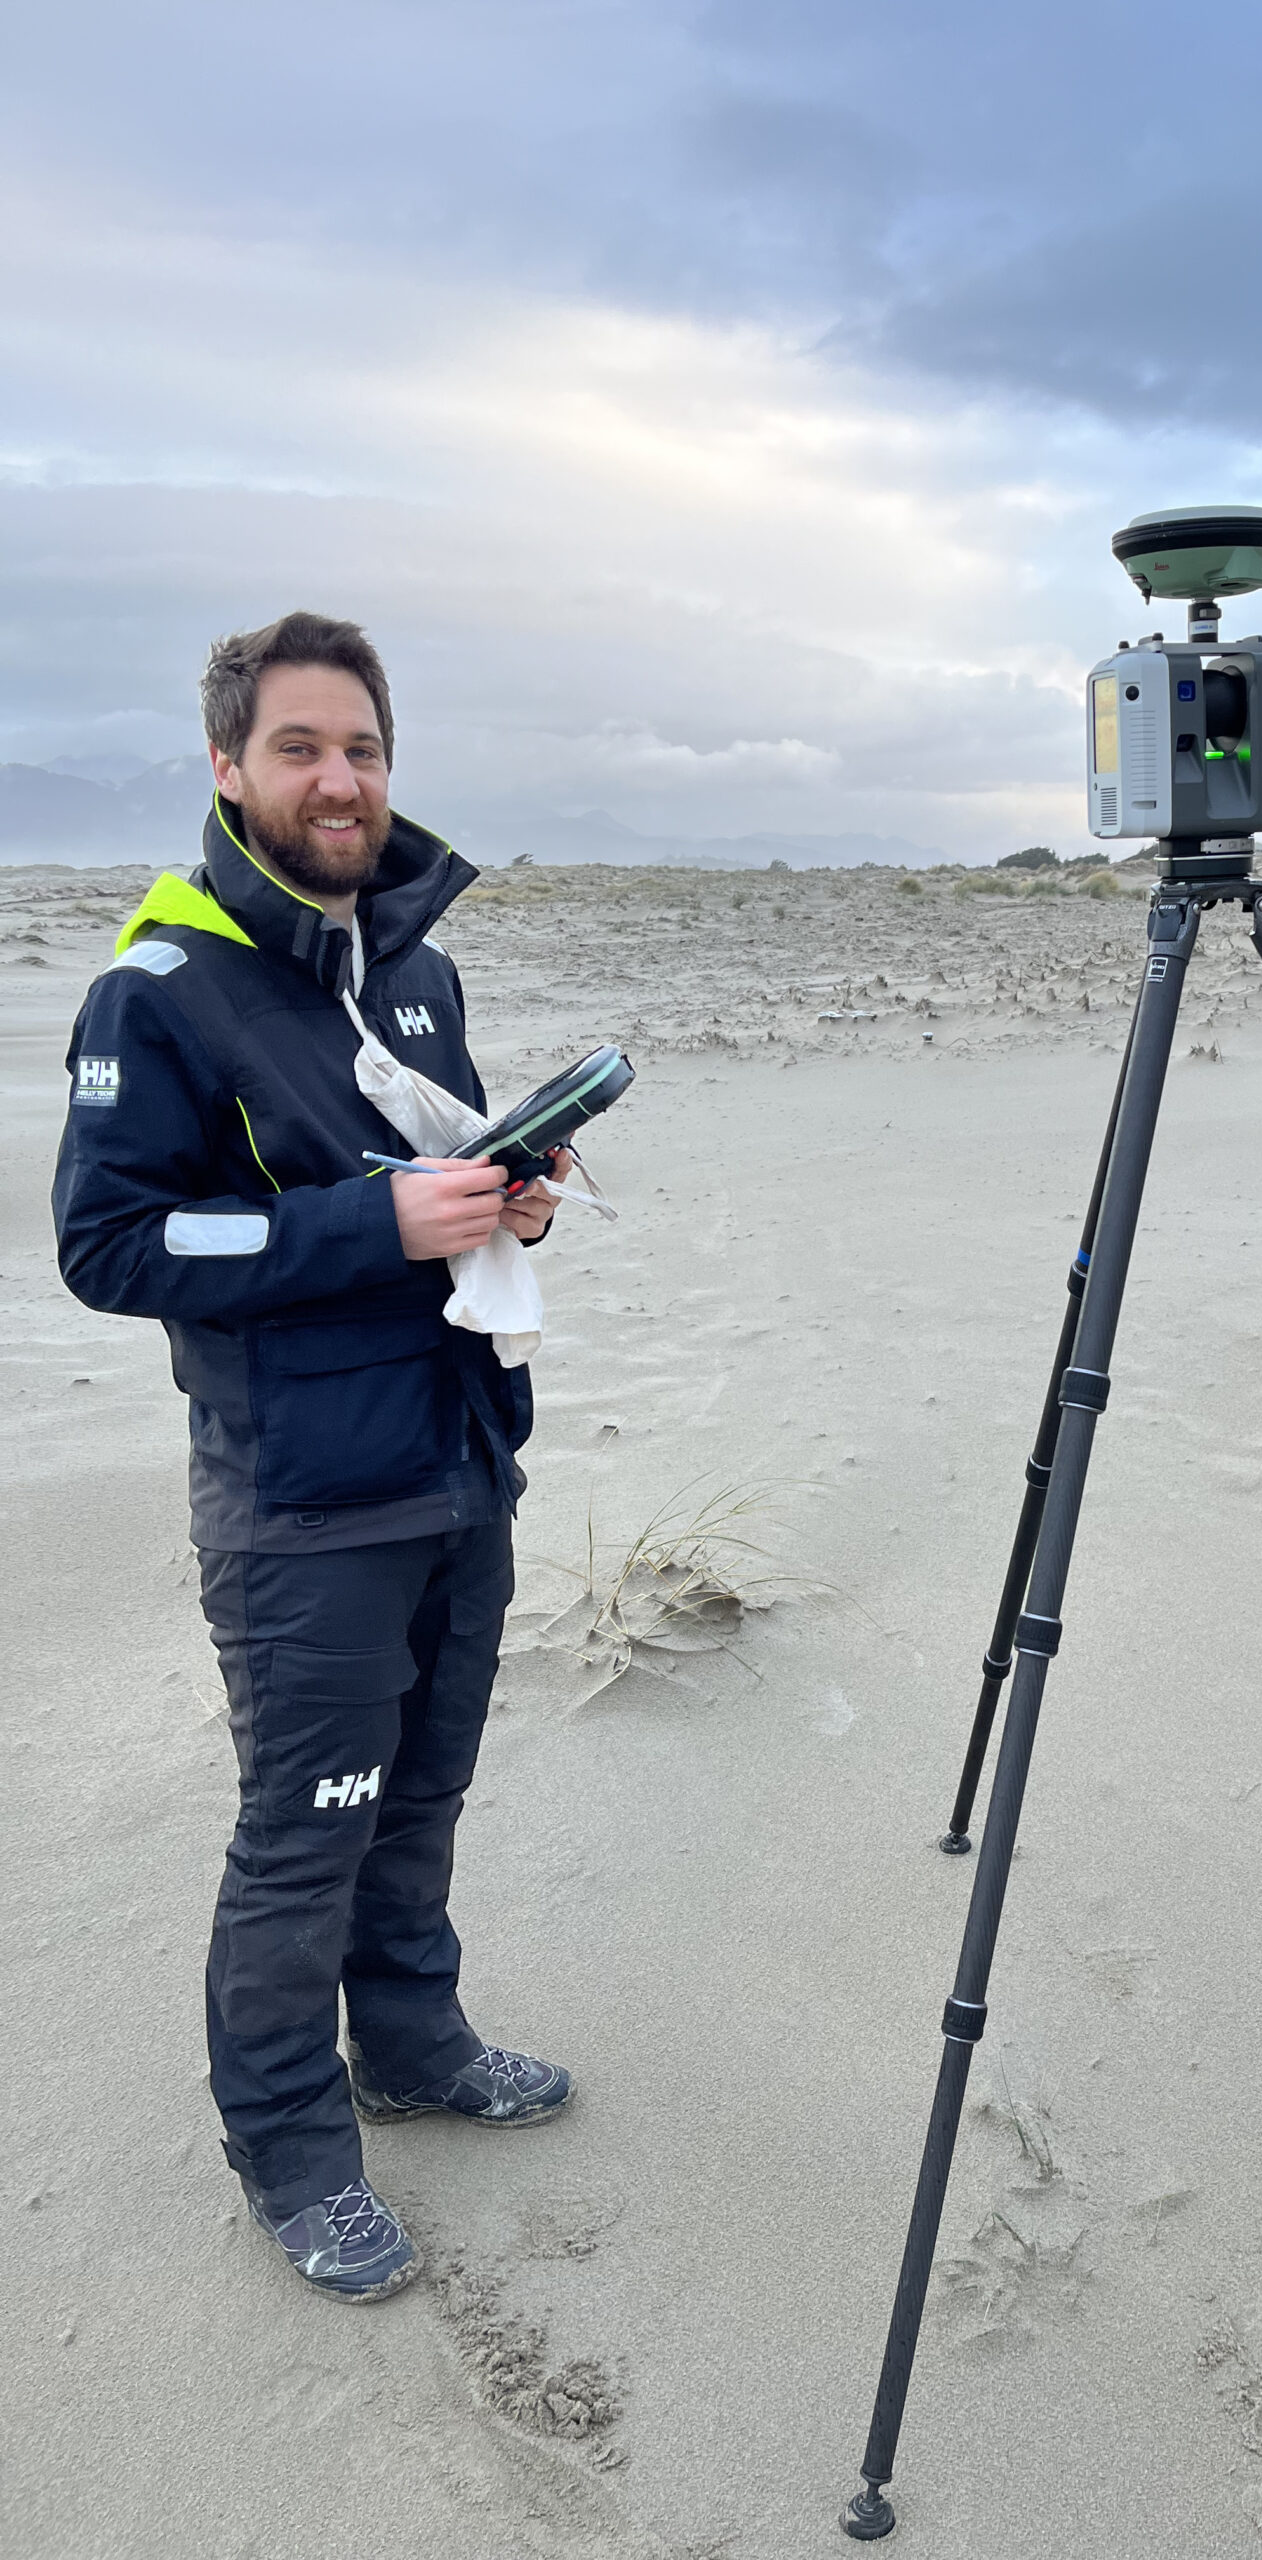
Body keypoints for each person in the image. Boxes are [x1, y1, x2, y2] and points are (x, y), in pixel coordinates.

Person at [53, 611, 574, 2304]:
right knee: (310, 1827)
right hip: (301, 1504)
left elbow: (429, 1173)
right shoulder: (159, 986)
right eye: (299, 747)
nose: (339, 779)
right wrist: (372, 1227)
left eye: (361, 748)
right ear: (228, 767)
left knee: (423, 1795)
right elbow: (111, 1246)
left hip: (456, 1455)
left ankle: (413, 2043)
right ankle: (287, 2144)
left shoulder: (414, 965)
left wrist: (506, 1196)